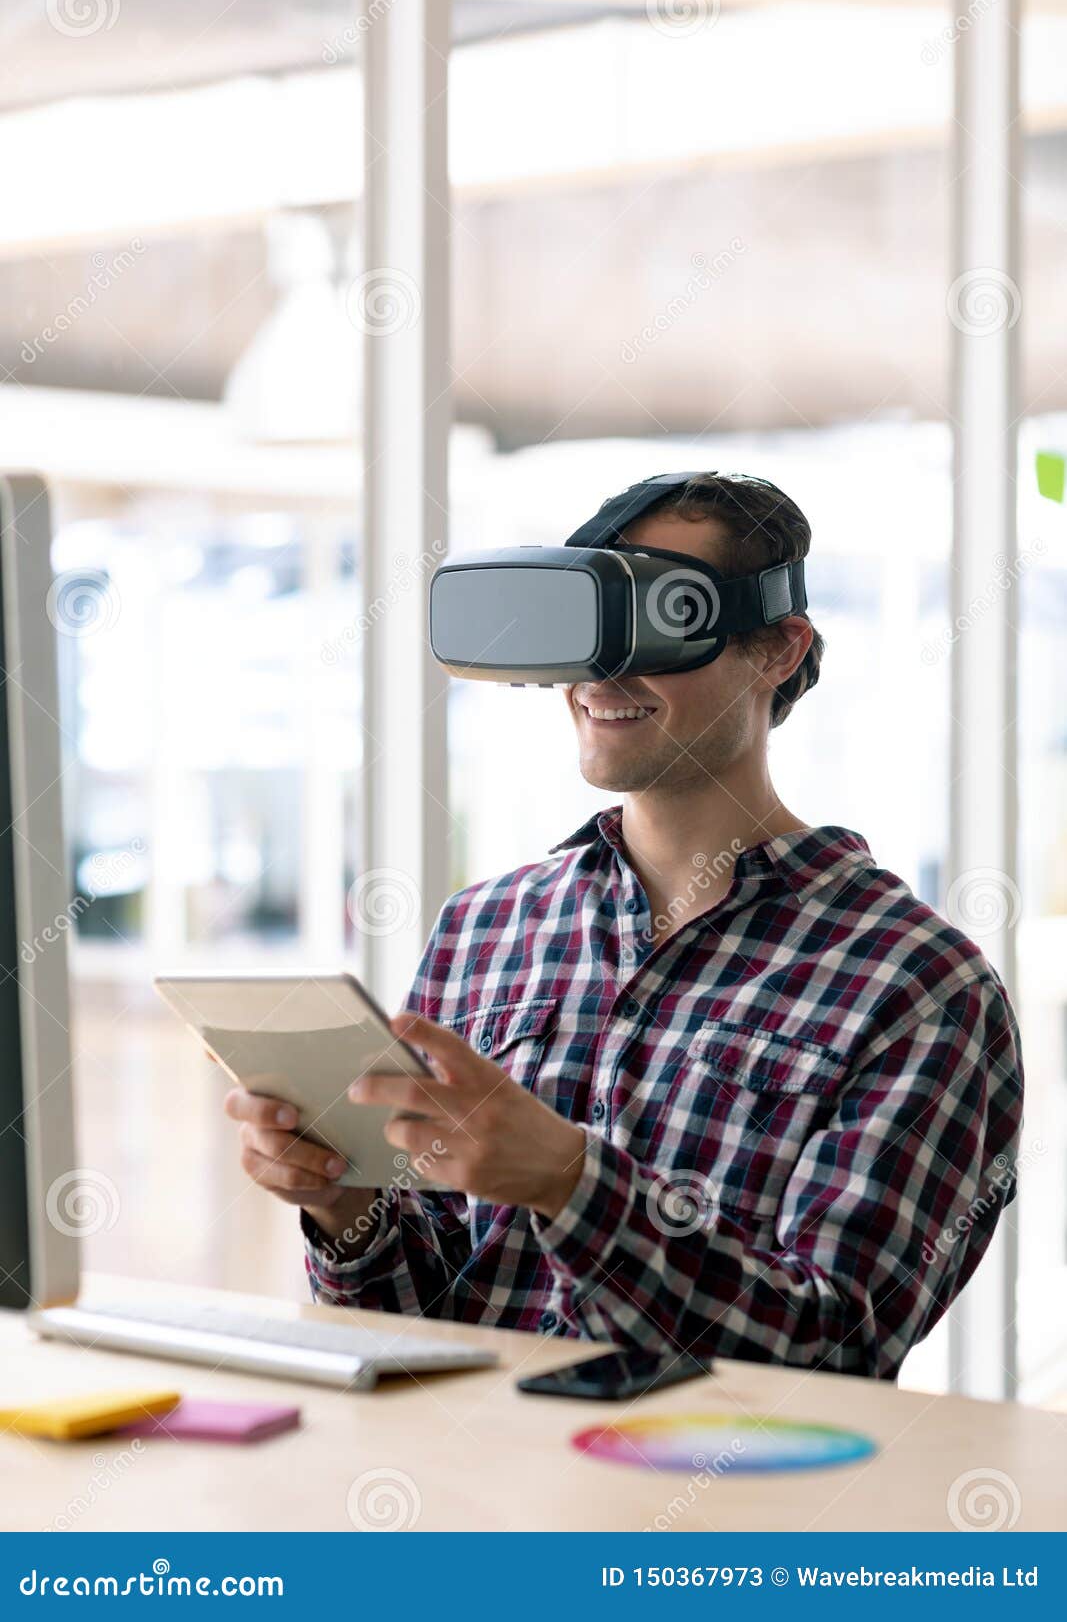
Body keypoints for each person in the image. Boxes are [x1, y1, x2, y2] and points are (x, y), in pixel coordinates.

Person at [223, 472, 1023, 1378]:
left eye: (657, 619)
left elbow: (835, 1345)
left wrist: (569, 1183)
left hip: (714, 1510)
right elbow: (425, 1321)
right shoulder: (483, 931)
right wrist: (348, 1205)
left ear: (776, 648)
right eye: (586, 628)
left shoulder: (915, 984)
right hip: (459, 1492)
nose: (602, 673)